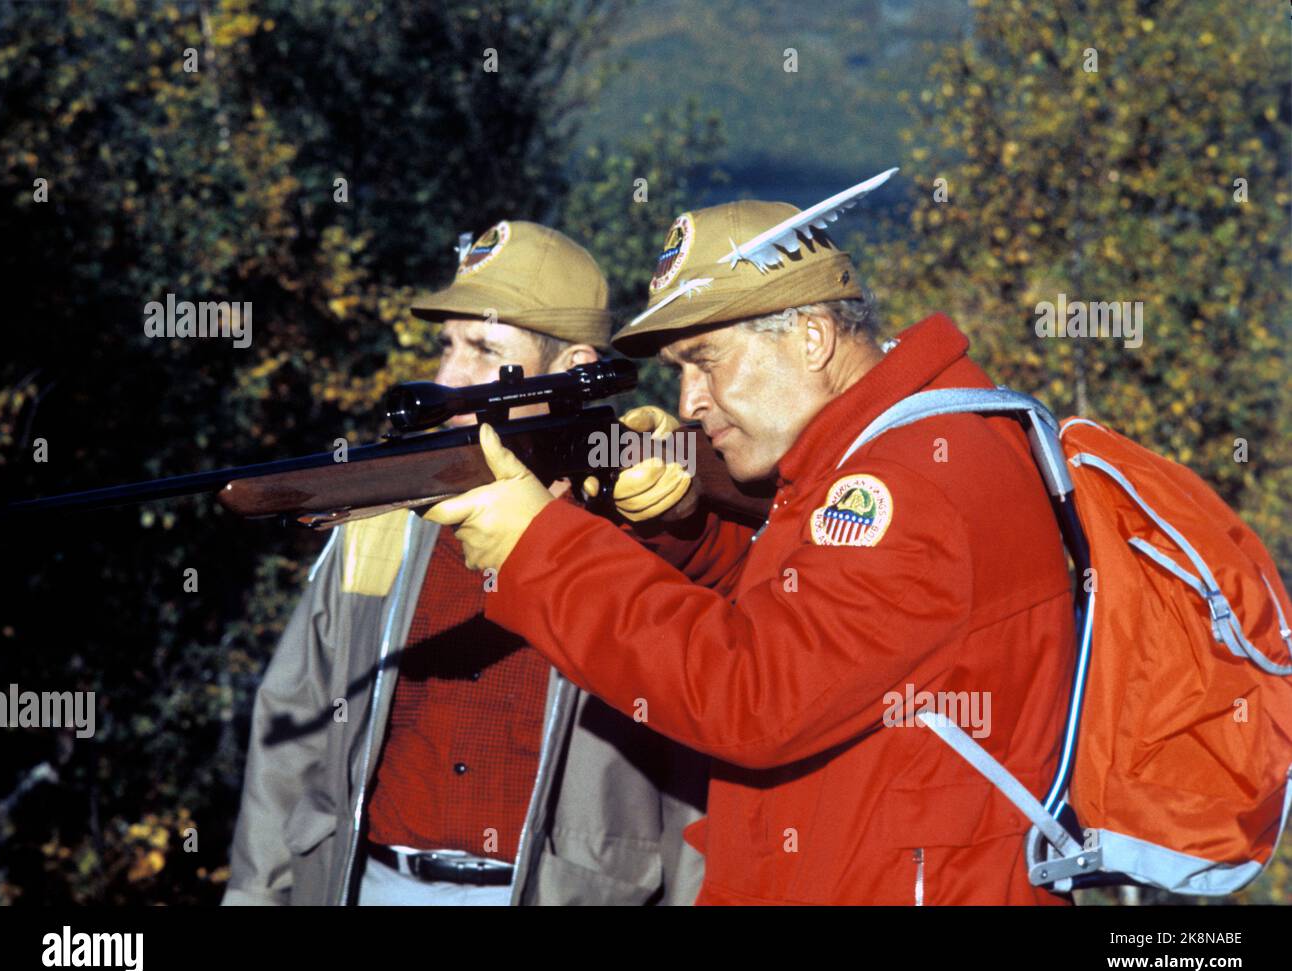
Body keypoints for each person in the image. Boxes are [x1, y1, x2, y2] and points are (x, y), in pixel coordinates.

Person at [424, 200, 1077, 905]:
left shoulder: (900, 486)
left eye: (705, 362)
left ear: (811, 337)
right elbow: (816, 613)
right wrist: (681, 527)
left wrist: (539, 551)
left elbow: (754, 697)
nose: (690, 402)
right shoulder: (892, 447)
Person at [222, 221, 708, 906]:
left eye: (483, 350)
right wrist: (255, 897)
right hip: (370, 885)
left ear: (573, 371)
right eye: (446, 346)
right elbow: (292, 725)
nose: (446, 378)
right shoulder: (382, 521)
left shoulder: (643, 528)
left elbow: (696, 777)